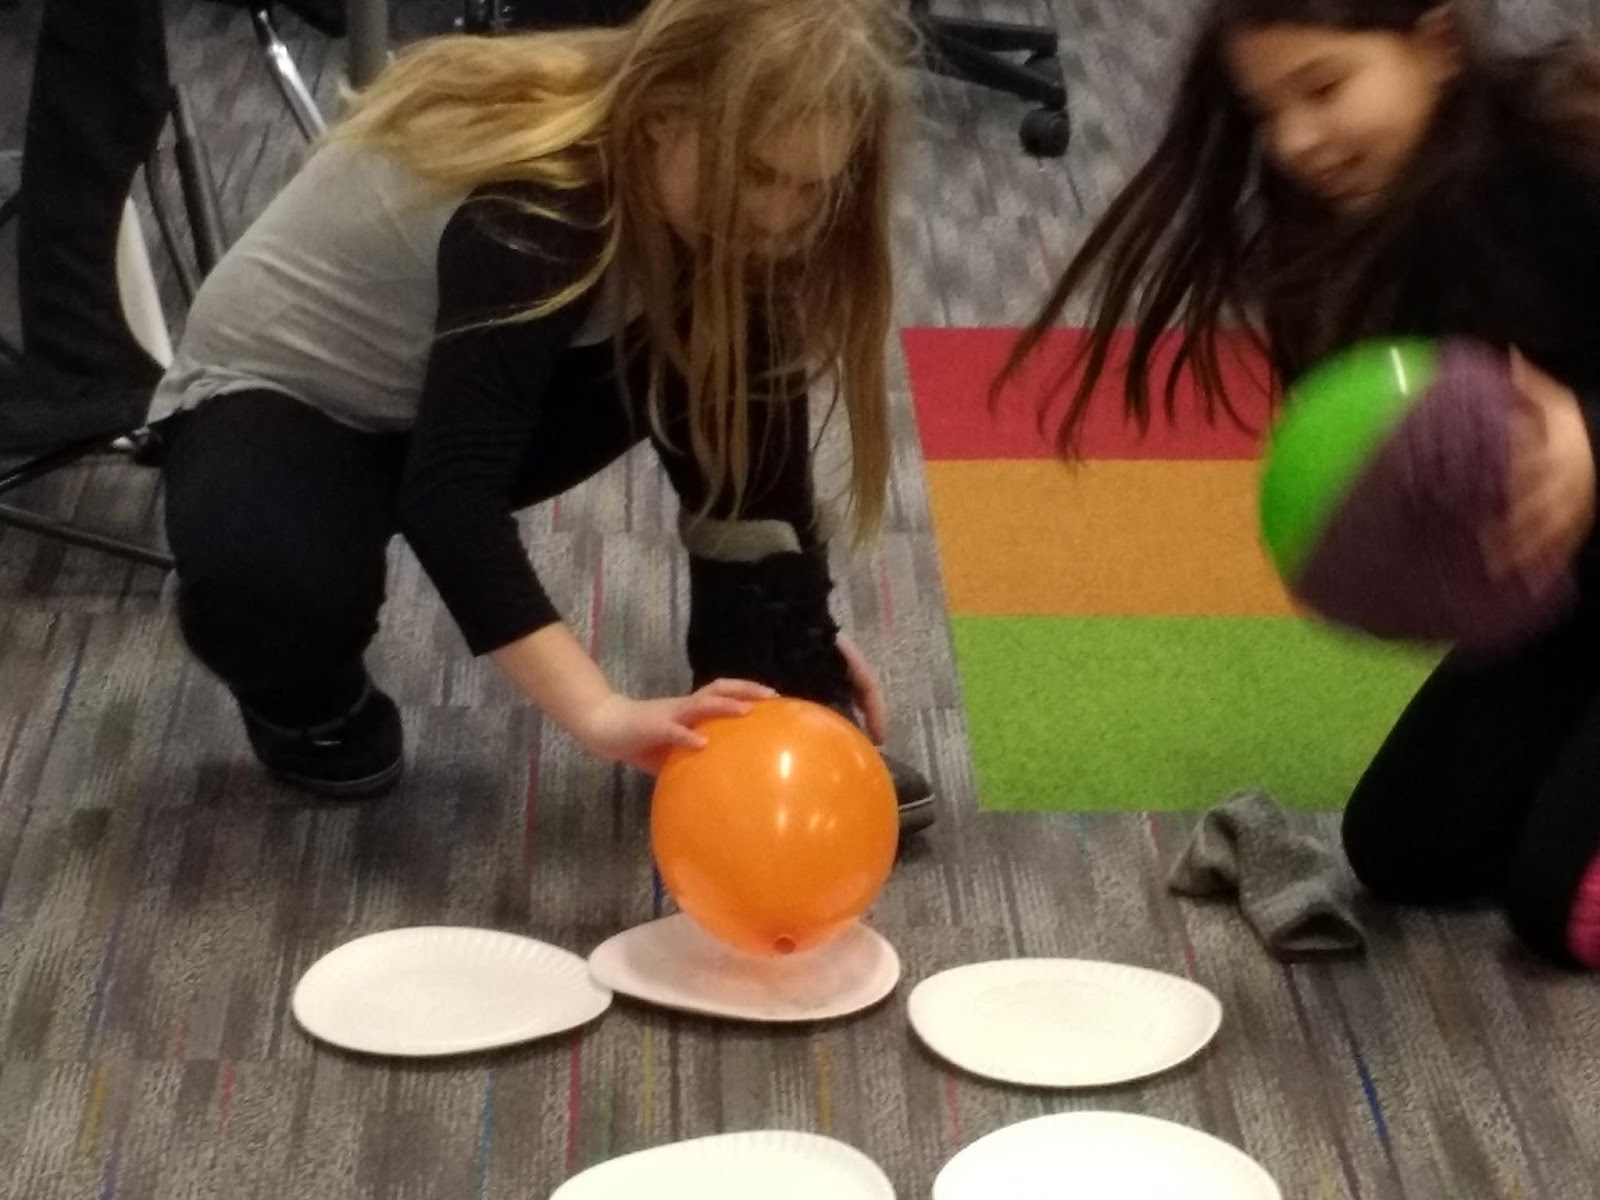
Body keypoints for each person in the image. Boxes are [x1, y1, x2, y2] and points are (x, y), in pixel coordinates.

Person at [146, 0, 935, 833]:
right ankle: (304, 694)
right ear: (662, 122)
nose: (781, 213)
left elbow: (758, 446)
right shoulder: (542, 199)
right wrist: (599, 712)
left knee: (738, 325)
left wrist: (801, 631)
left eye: (809, 187)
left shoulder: (715, 186)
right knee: (269, 591)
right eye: (758, 175)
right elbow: (451, 498)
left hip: (480, 379)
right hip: (291, 400)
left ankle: (764, 684)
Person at [1004, 0, 1600, 964]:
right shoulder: (1373, 220)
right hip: (1576, 604)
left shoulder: (1569, 161)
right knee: (1406, 850)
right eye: (1268, 112)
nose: (1295, 141)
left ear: (1437, 44)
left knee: (1556, 905)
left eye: (1324, 88)